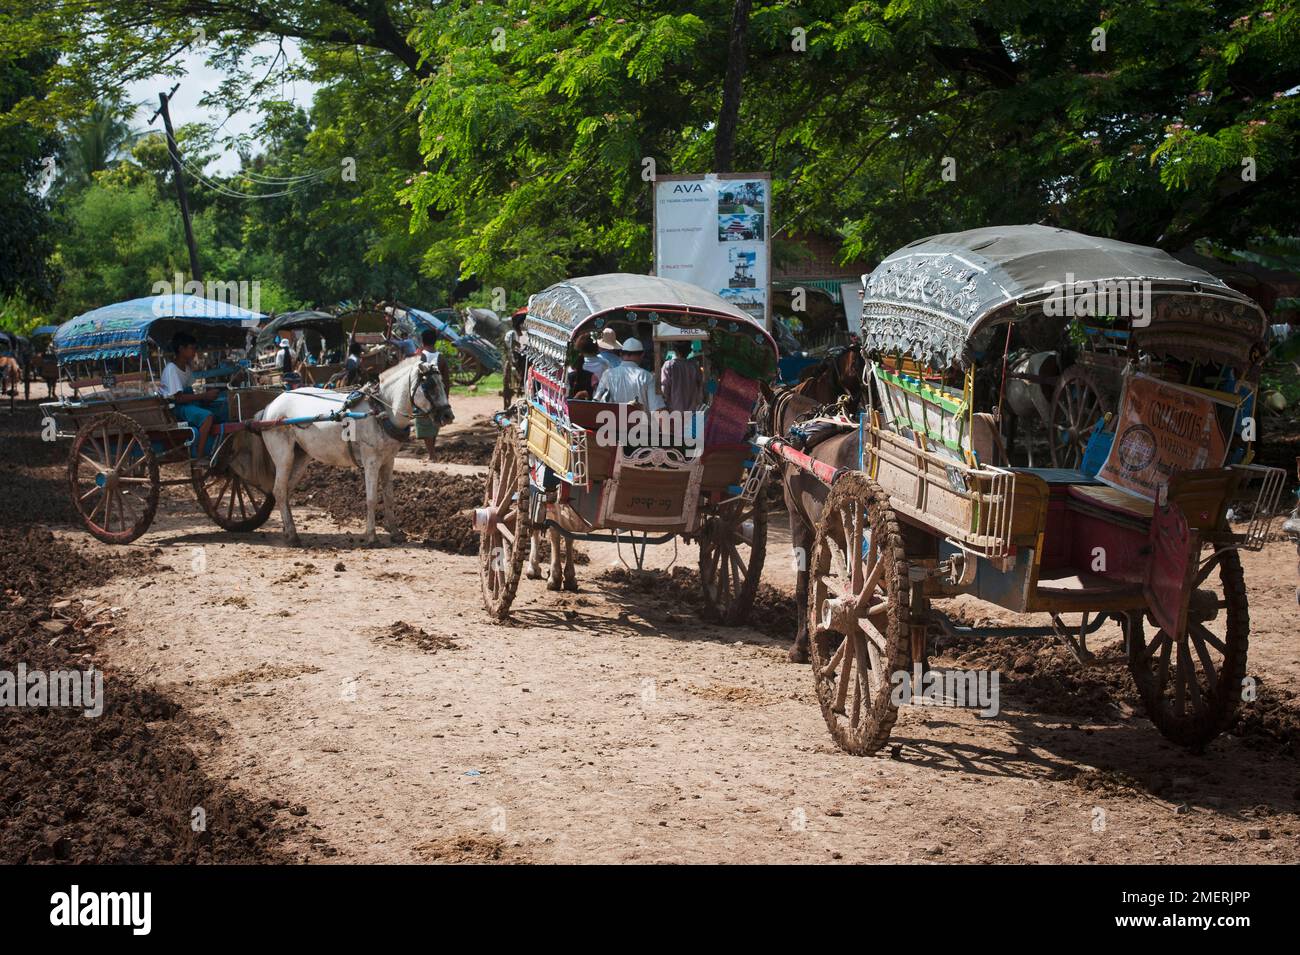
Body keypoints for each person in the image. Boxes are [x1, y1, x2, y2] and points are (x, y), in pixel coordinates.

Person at [162, 332, 226, 458]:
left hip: (187, 404)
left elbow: (190, 392)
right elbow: (178, 398)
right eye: (192, 348)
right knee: (207, 417)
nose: (194, 352)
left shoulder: (186, 368)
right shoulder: (171, 369)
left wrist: (207, 398)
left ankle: (216, 448)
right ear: (181, 349)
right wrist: (204, 396)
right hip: (175, 408)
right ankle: (199, 455)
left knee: (222, 409)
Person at [593, 337, 662, 411]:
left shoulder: (607, 374)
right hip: (641, 422)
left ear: (621, 354)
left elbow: (597, 402)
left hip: (611, 421)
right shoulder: (648, 377)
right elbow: (657, 409)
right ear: (642, 355)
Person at [417, 328, 451, 457]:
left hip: (424, 395)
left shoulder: (421, 356)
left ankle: (431, 453)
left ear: (422, 340)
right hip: (438, 395)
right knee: (435, 421)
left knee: (425, 423)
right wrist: (445, 398)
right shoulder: (440, 357)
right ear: (435, 341)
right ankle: (432, 452)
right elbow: (447, 380)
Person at [660, 341, 704, 413]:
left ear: (675, 351)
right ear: (689, 351)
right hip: (692, 411)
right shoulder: (694, 366)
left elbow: (664, 389)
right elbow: (700, 387)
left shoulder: (669, 365)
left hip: (673, 411)